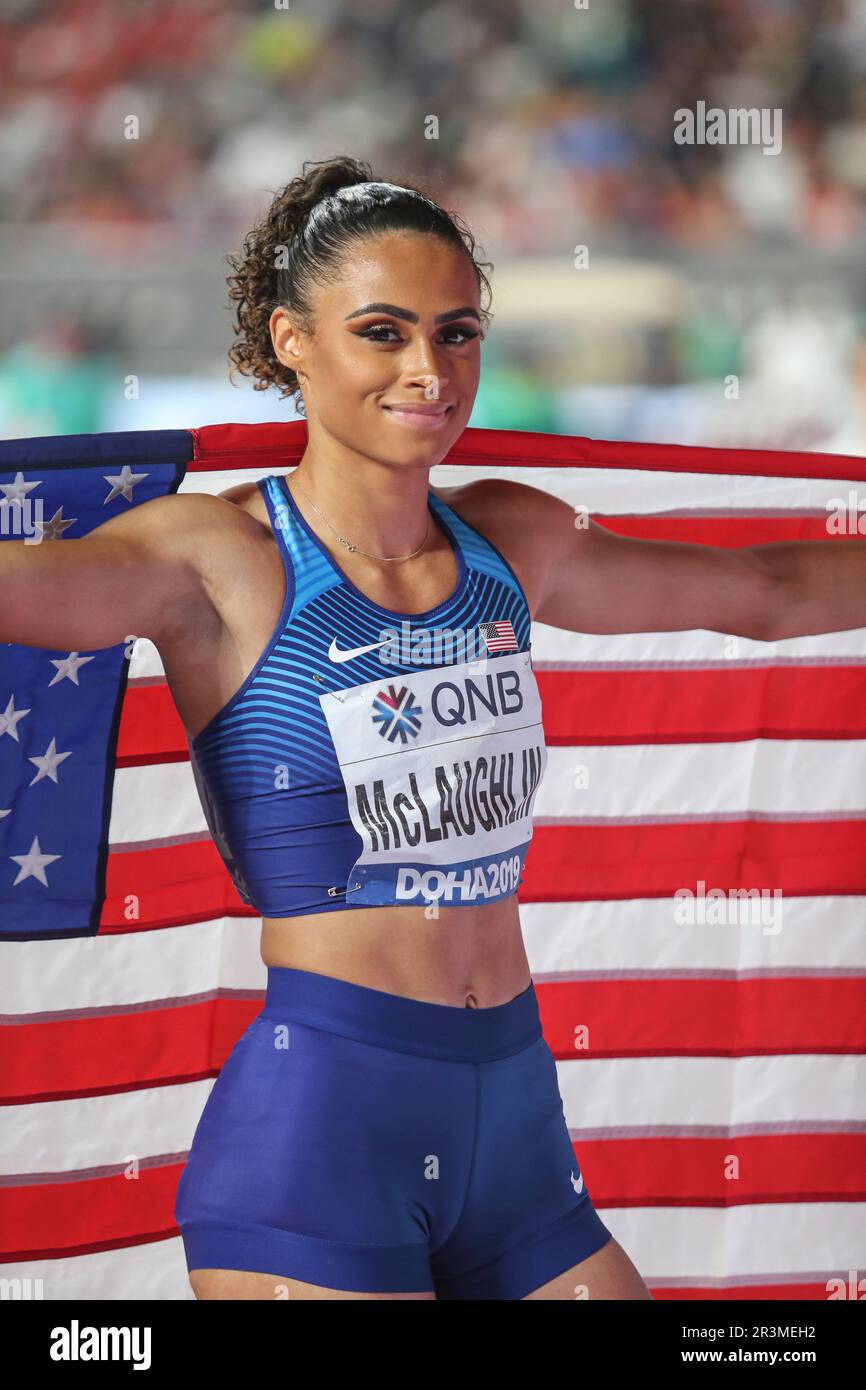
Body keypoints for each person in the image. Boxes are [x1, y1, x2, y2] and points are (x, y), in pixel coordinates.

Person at [5, 157, 864, 1301]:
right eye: (382, 332)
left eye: (456, 333)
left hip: (515, 1131)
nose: (428, 370)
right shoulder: (213, 561)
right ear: (291, 342)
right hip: (318, 1146)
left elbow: (762, 590)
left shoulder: (512, 540)